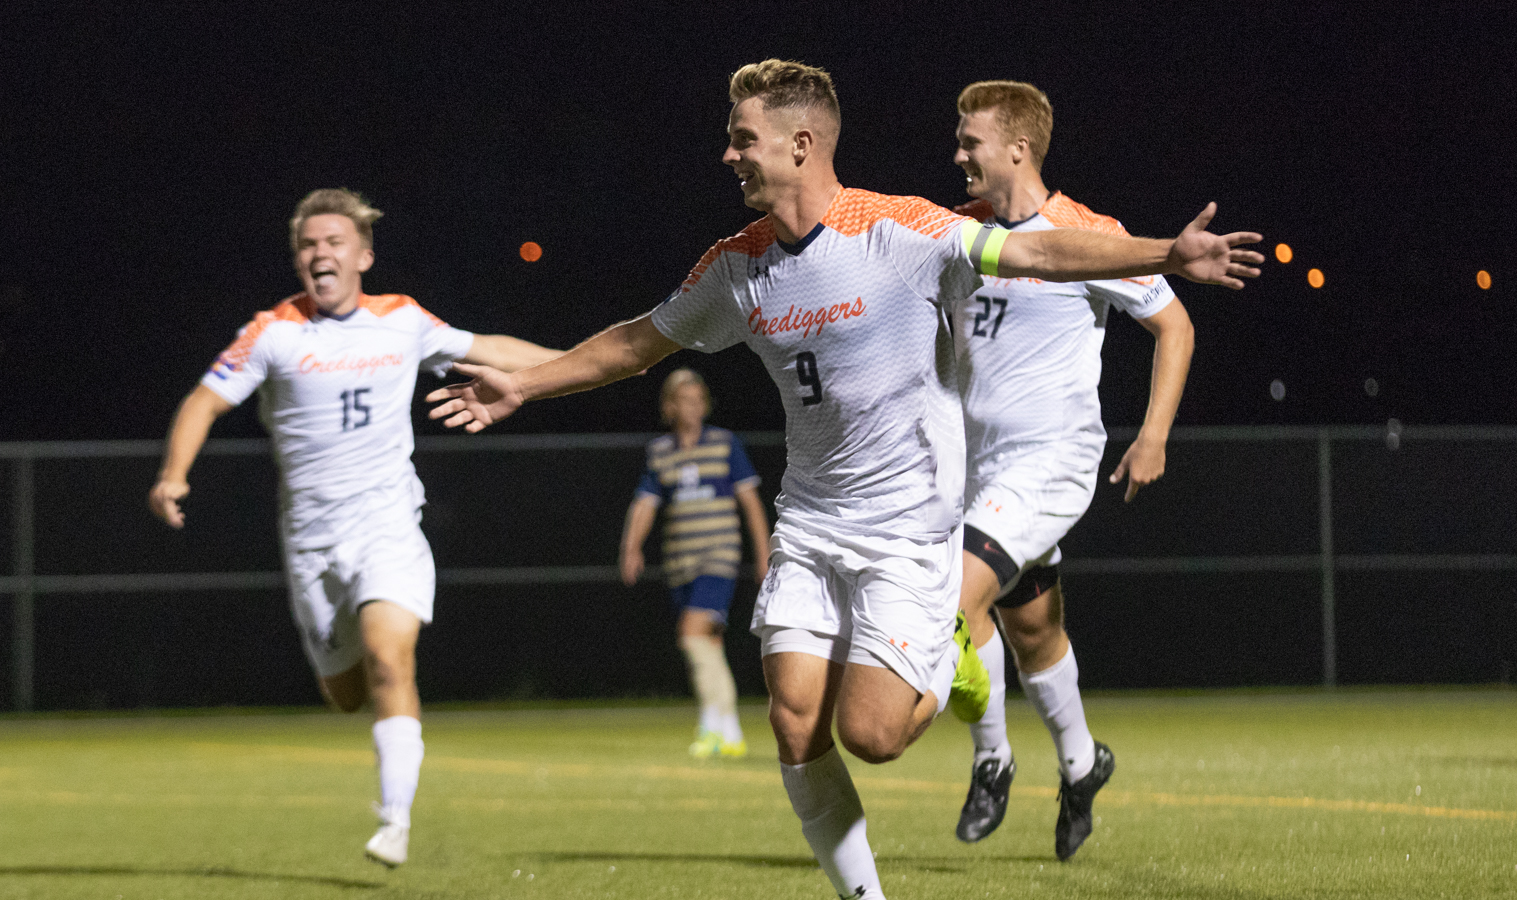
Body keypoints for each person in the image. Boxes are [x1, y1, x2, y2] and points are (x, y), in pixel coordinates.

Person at [427, 60, 1260, 899]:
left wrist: (1165, 253)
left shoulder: (901, 230)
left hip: (909, 532)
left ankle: (954, 666)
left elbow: (1037, 249)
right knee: (793, 718)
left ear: (801, 143)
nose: (728, 155)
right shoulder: (737, 265)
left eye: (741, 138)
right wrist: (525, 385)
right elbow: (639, 343)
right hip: (813, 524)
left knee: (873, 736)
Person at [146, 188, 561, 868]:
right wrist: (173, 474)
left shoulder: (402, 320)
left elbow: (486, 347)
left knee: (390, 658)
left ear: (363, 255)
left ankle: (394, 819)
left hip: (387, 523)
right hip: (311, 543)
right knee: (344, 694)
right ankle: (376, 744)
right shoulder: (274, 331)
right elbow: (203, 400)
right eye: (309, 245)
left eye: (334, 242)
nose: (320, 254)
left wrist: (582, 362)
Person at [944, 80, 1200, 861]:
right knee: (1032, 629)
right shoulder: (962, 235)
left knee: (954, 596)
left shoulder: (1087, 234)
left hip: (1050, 465)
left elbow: (1174, 325)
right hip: (972, 468)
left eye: (969, 142)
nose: (958, 155)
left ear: (1016, 148)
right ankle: (1084, 765)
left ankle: (992, 759)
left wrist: (1153, 434)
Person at [619, 367, 771, 758]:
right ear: (669, 406)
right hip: (679, 562)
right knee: (708, 642)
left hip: (718, 556)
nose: (692, 407)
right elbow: (645, 504)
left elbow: (750, 502)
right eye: (684, 400)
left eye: (698, 399)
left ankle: (710, 725)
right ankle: (730, 731)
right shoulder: (661, 451)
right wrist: (631, 548)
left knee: (691, 634)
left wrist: (764, 555)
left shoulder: (724, 444)